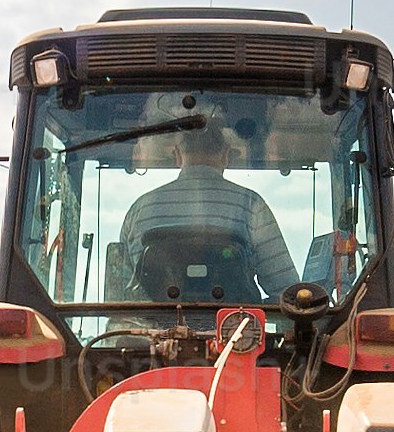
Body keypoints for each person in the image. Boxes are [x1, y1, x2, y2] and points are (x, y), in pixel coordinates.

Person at [113, 109, 297, 310]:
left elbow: (122, 294)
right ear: (226, 155)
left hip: (155, 337)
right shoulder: (251, 205)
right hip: (234, 337)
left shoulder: (140, 209)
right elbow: (286, 292)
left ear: (177, 156)